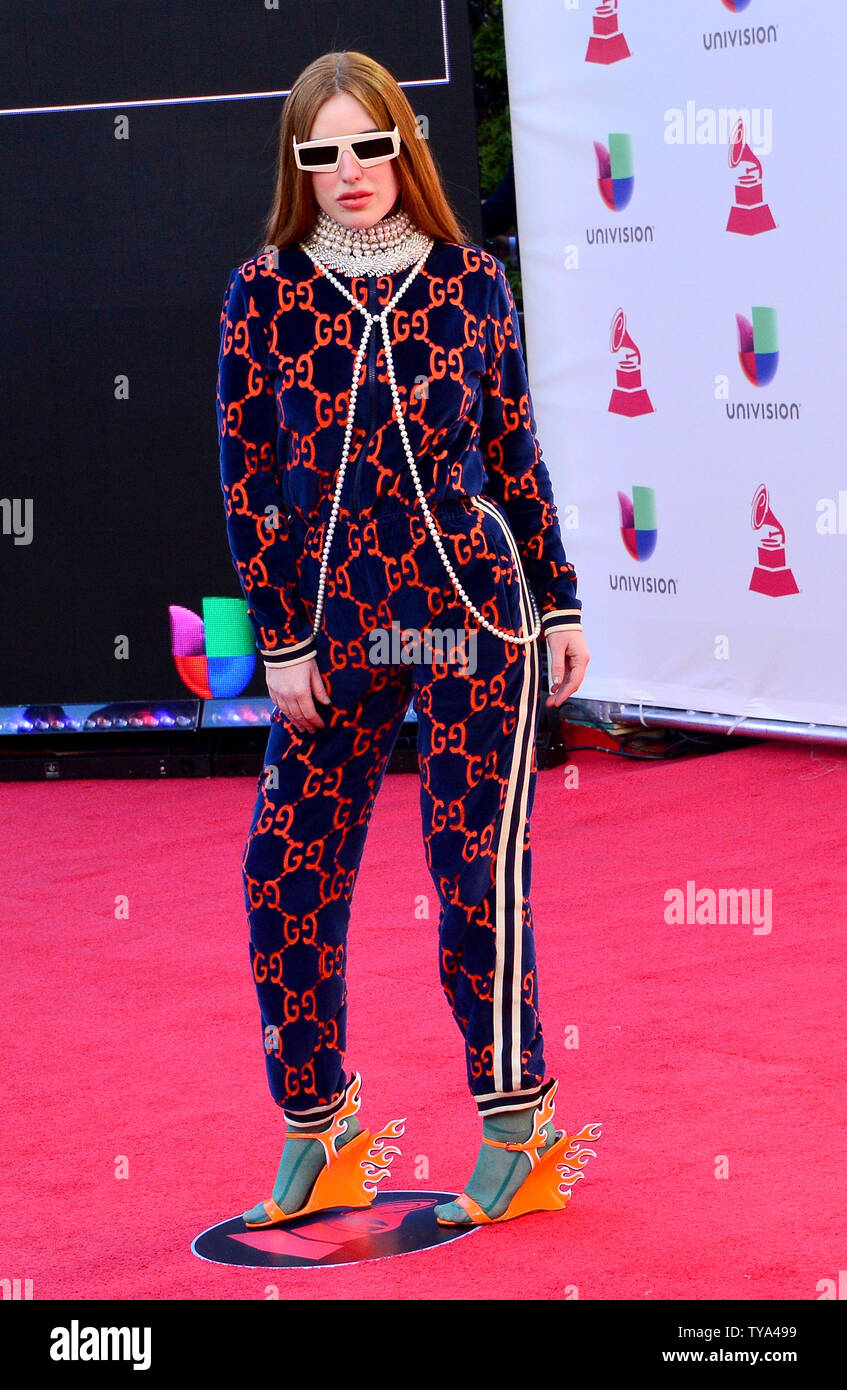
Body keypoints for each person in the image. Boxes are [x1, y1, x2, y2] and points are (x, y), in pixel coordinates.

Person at [216, 49, 599, 1230]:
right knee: (282, 876)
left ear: (403, 148)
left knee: (469, 873)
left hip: (477, 620)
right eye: (319, 152)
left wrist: (563, 598)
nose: (347, 171)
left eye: (367, 145)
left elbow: (516, 451)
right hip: (334, 638)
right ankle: (321, 1125)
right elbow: (247, 485)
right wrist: (278, 639)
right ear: (296, 165)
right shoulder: (263, 292)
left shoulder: (474, 283)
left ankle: (519, 1121)